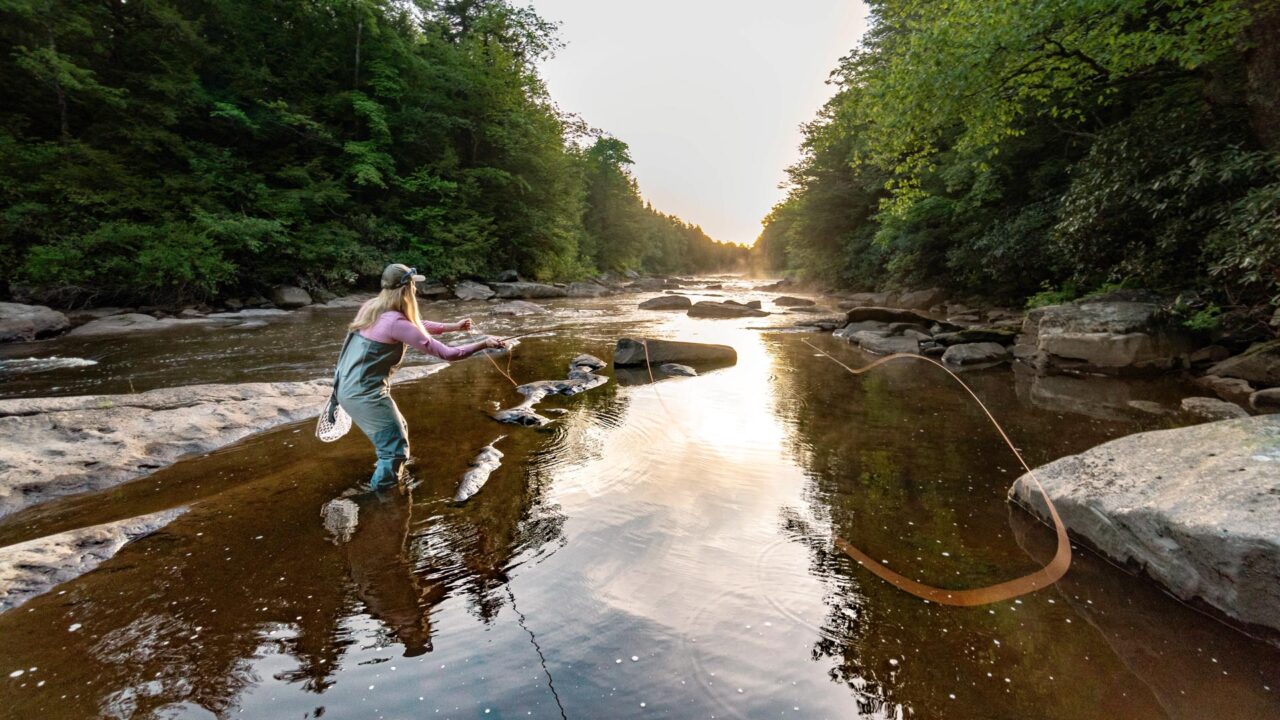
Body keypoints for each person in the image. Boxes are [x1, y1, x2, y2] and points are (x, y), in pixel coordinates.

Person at [333, 263, 503, 490]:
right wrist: (483, 343)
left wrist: (453, 327)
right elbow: (447, 353)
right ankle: (380, 498)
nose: (415, 290)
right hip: (365, 394)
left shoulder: (372, 307)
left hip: (347, 386)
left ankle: (391, 472)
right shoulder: (395, 322)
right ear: (407, 289)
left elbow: (415, 325)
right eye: (413, 285)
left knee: (398, 429)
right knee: (394, 451)